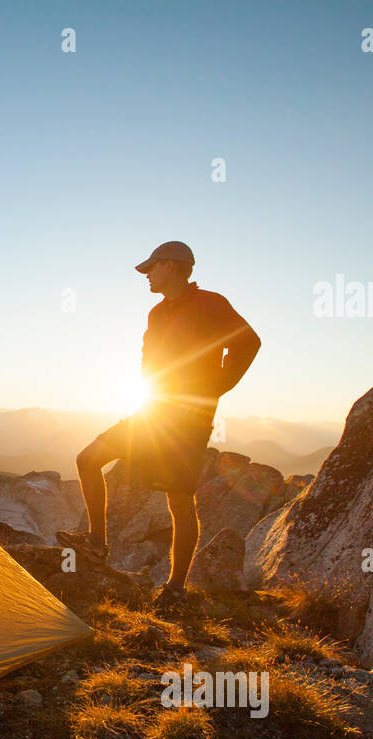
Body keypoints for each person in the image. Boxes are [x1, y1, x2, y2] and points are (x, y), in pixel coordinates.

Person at [57, 240, 260, 607]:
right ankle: (97, 543)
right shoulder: (156, 313)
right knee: (87, 459)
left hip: (188, 422)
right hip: (151, 412)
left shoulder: (211, 303)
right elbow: (148, 356)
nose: (147, 275)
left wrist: (217, 387)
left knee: (180, 501)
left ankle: (175, 588)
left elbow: (248, 342)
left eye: (152, 268)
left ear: (171, 266)